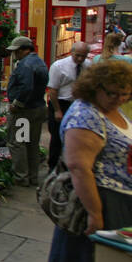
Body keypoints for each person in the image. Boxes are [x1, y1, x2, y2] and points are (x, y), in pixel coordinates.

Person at [37, 60, 132, 262]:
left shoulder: (112, 111)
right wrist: (96, 212)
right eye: (112, 92)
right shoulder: (85, 116)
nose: (119, 98)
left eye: (125, 93)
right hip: (100, 199)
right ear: (95, 88)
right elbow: (79, 167)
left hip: (122, 199)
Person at [5, 35, 48, 186]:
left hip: (25, 112)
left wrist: (17, 104)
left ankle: (21, 177)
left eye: (16, 51)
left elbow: (26, 87)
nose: (14, 54)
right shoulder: (40, 62)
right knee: (32, 144)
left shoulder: (25, 65)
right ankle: (33, 176)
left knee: (18, 143)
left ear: (25, 50)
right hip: (38, 108)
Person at [46, 42, 89, 170]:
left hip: (79, 104)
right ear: (71, 52)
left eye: (83, 56)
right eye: (77, 56)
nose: (80, 59)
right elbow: (53, 90)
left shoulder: (88, 66)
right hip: (62, 103)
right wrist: (57, 110)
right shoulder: (59, 66)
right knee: (57, 138)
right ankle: (53, 167)